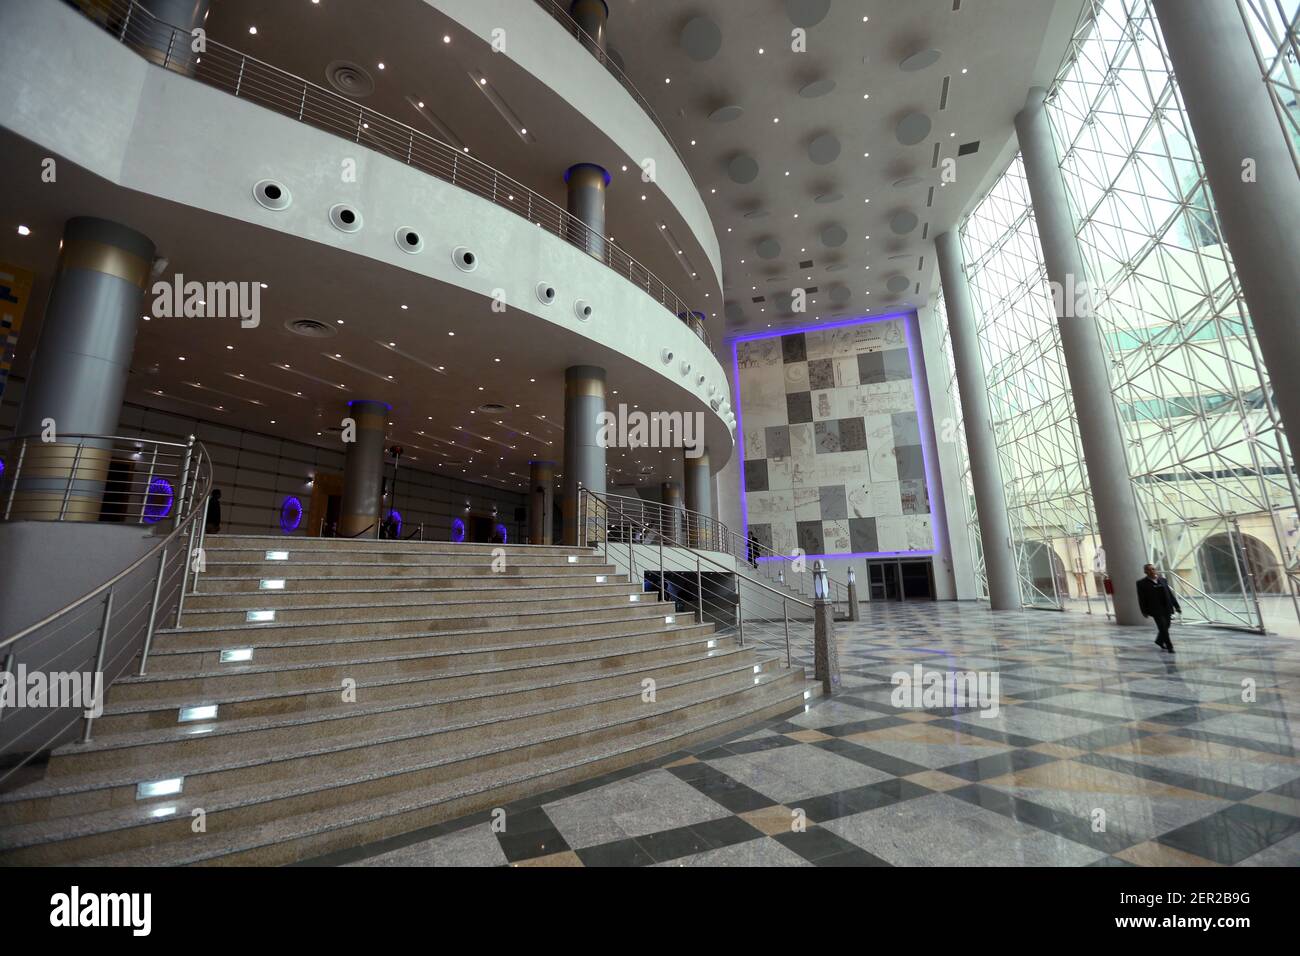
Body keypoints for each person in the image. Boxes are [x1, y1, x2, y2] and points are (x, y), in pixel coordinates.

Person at [1136, 563, 1181, 653]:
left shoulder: (1163, 580)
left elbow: (1169, 594)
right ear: (1145, 571)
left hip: (1167, 607)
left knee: (1167, 625)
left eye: (1153, 569)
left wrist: (1177, 606)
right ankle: (1169, 647)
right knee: (1163, 628)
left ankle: (1159, 641)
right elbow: (1141, 598)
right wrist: (1143, 611)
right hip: (1155, 609)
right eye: (1149, 569)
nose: (1152, 571)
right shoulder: (1141, 583)